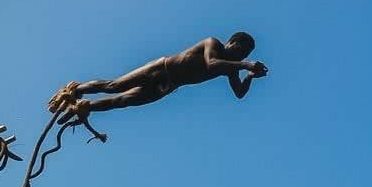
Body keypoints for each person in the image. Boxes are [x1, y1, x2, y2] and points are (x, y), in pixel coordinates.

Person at [48, 32, 267, 135]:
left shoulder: (231, 66)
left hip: (168, 86)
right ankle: (76, 90)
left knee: (122, 101)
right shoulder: (213, 44)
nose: (241, 55)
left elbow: (238, 93)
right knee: (114, 86)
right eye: (241, 50)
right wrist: (246, 65)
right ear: (232, 42)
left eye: (245, 54)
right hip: (161, 68)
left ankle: (84, 107)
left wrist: (249, 76)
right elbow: (211, 64)